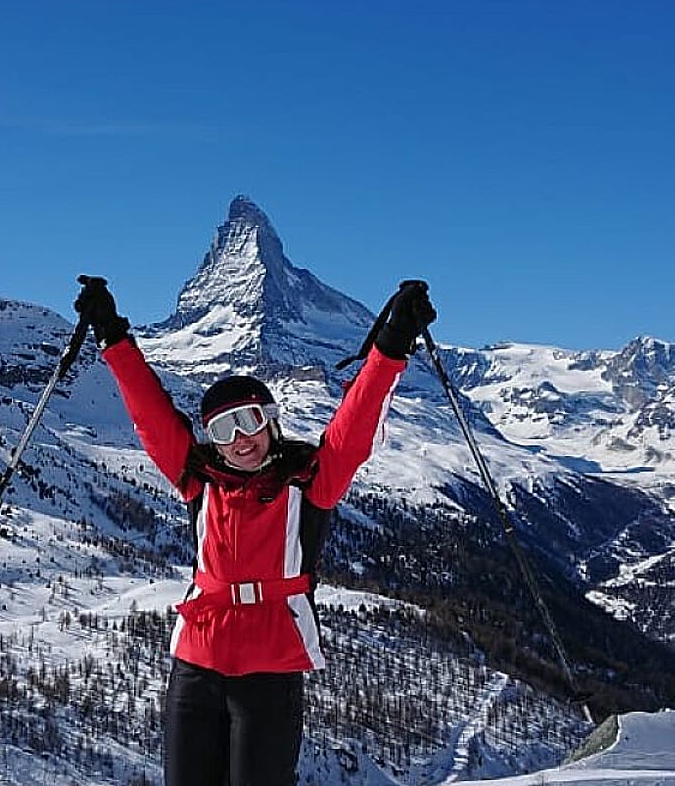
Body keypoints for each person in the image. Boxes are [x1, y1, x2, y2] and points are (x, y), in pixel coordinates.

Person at [74, 276, 436, 786]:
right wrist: (112, 336)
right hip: (196, 664)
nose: (241, 438)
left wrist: (392, 343)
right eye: (224, 429)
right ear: (211, 443)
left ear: (271, 422)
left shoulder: (309, 483)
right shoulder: (199, 481)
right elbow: (150, 415)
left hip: (271, 664)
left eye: (249, 421)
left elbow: (355, 426)